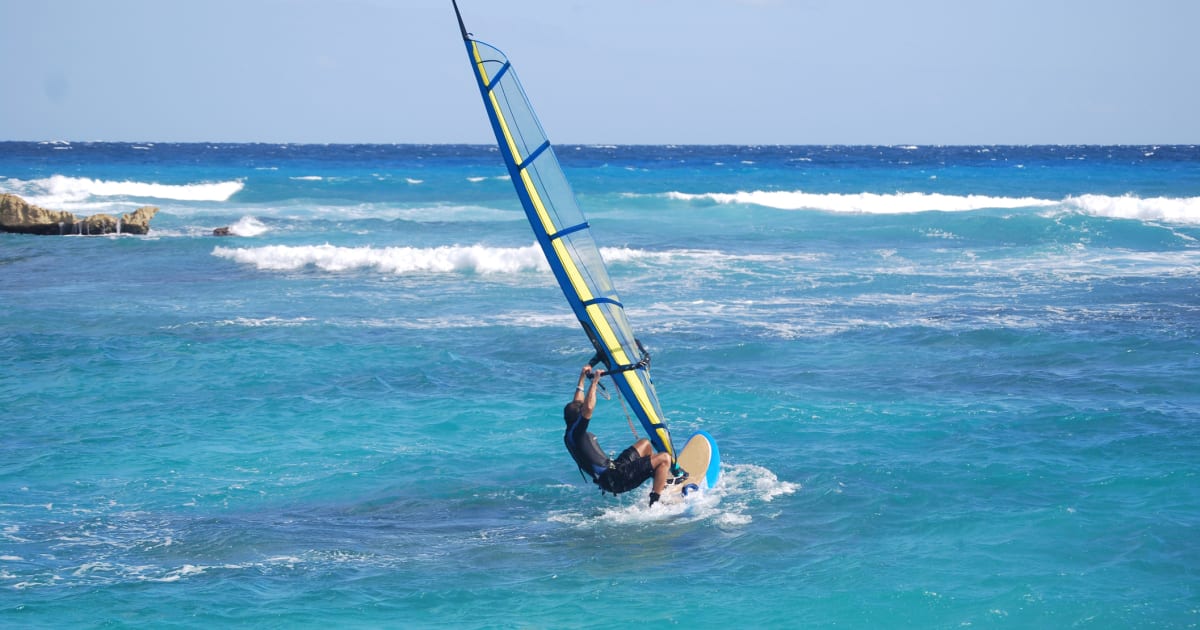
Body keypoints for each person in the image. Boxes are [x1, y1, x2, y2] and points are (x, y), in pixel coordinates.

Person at [562, 364, 683, 506]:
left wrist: (582, 378)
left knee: (645, 445)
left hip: (614, 469)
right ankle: (655, 503)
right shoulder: (577, 433)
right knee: (665, 458)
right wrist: (594, 382)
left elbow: (579, 404)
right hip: (614, 478)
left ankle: (660, 481)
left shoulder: (571, 430)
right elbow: (588, 407)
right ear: (579, 416)